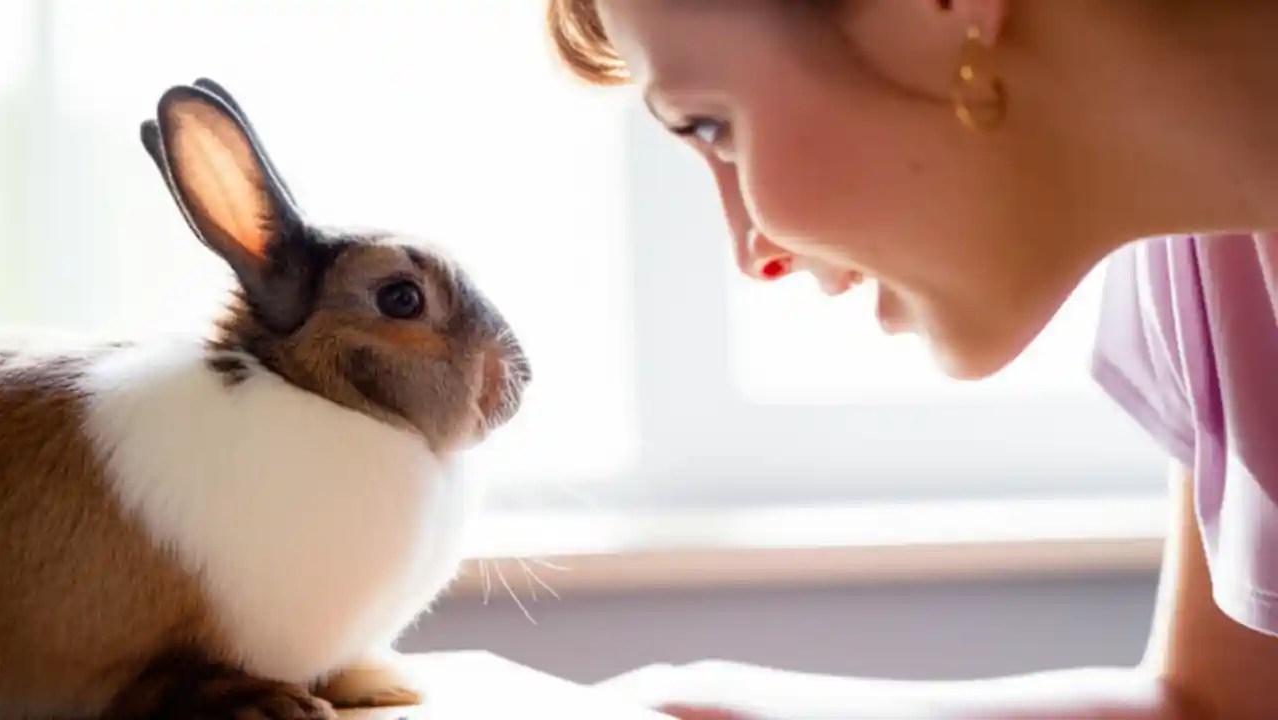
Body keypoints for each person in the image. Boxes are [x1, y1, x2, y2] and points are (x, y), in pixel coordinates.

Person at [543, 1, 1278, 718]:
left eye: (711, 125)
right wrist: (707, 708)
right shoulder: (1211, 261)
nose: (752, 254)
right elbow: (1225, 705)